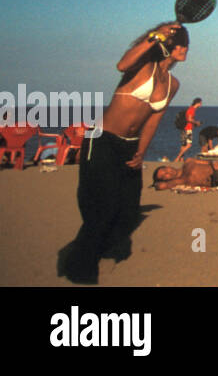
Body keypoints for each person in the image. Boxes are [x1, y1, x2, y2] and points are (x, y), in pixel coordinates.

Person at [63, 19, 189, 284]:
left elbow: (153, 119)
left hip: (129, 145)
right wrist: (155, 36)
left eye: (187, 44)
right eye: (181, 44)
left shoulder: (172, 84)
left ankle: (106, 251)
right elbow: (121, 64)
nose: (186, 49)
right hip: (102, 140)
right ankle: (79, 269)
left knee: (128, 208)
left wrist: (141, 152)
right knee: (101, 206)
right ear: (168, 46)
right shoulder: (142, 66)